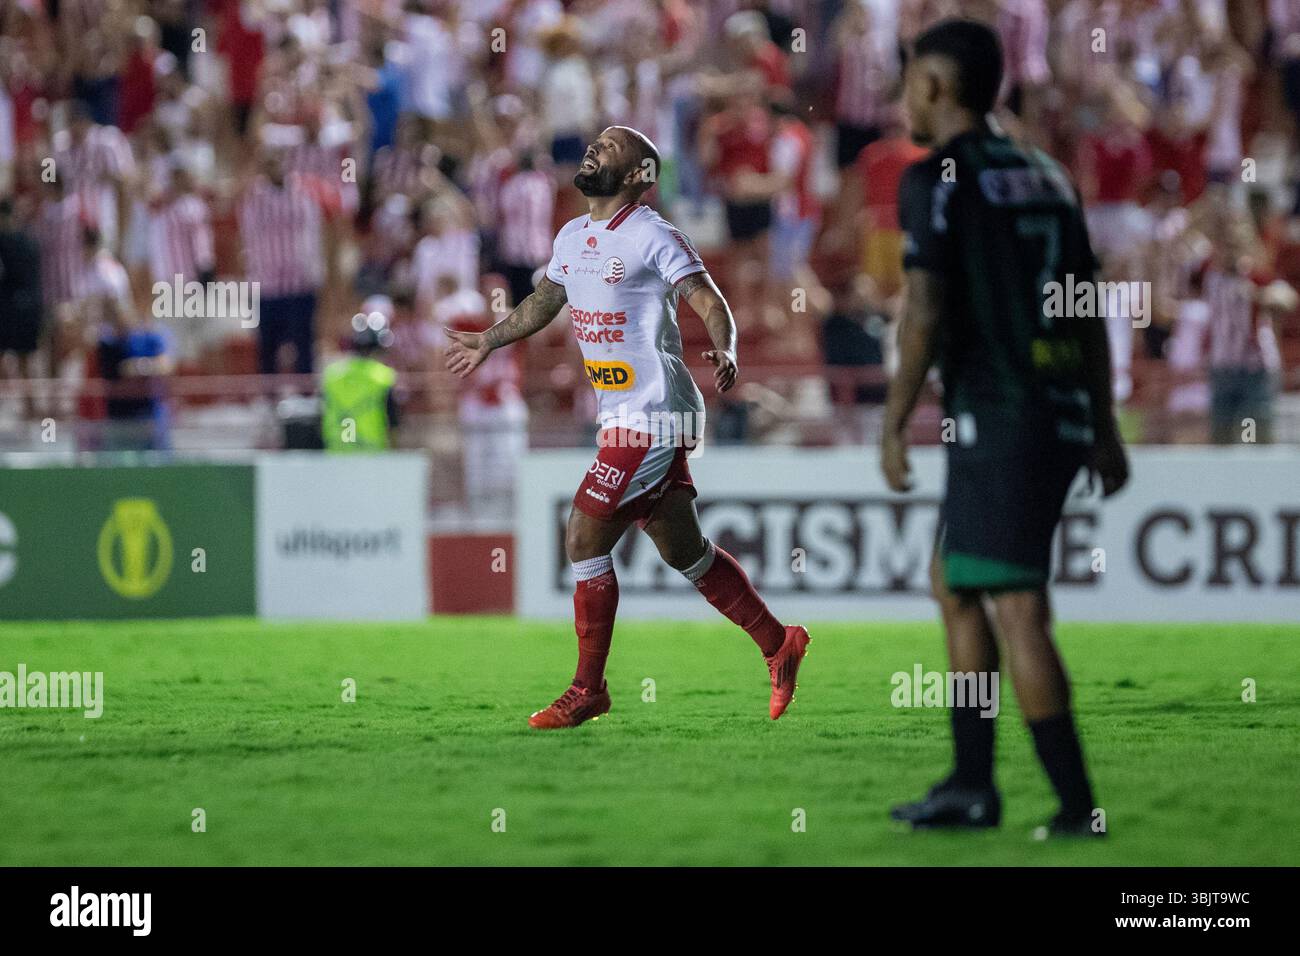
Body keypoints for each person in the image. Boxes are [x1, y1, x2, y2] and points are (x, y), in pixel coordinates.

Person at [446, 125, 810, 729]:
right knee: (685, 552)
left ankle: (588, 689)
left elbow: (707, 297)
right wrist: (488, 339)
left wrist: (728, 348)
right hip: (620, 415)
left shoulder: (651, 233)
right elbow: (545, 301)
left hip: (656, 412)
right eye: (596, 142)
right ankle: (780, 643)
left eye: (612, 146)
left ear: (641, 174)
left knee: (583, 537)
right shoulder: (571, 236)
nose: (594, 148)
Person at [881, 20, 1129, 838]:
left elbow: (923, 310)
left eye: (909, 77)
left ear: (935, 87)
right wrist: (1102, 423)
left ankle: (1074, 807)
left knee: (1016, 604)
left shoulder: (936, 180)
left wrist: (892, 425)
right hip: (1048, 412)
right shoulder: (1047, 173)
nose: (901, 94)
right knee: (956, 583)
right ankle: (971, 785)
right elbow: (1087, 311)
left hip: (1002, 415)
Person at [320, 315, 399, 453]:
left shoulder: (332, 375)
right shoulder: (382, 376)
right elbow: (392, 421)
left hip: (336, 451)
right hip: (371, 453)